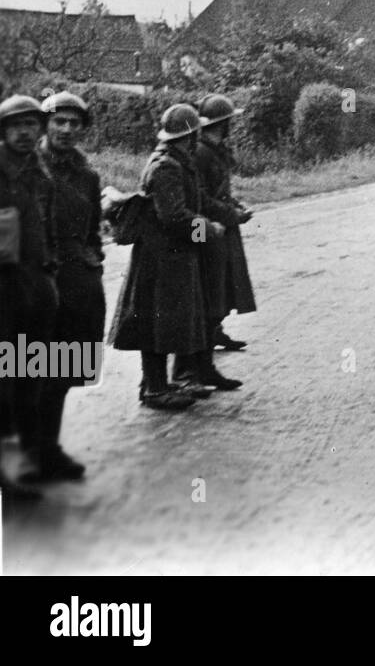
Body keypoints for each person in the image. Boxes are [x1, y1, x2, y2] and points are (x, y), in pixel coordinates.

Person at [109, 103, 224, 410]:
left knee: (164, 322)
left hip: (169, 255)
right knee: (154, 323)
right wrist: (208, 230)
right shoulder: (168, 167)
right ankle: (154, 389)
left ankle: (159, 384)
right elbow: (173, 216)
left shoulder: (175, 162)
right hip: (161, 258)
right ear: (189, 135)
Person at [21, 92, 104, 483]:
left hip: (76, 284)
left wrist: (92, 261)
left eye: (75, 123)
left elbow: (92, 234)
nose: (67, 130)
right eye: (59, 122)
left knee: (60, 375)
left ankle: (48, 451)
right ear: (44, 124)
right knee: (24, 372)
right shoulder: (27, 170)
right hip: (33, 281)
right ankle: (26, 455)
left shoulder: (88, 176)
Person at [0, 95, 57, 501]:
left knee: (30, 379)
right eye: (15, 125)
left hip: (34, 290)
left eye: (31, 124)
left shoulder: (40, 173)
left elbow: (47, 229)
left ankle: (30, 461)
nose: (24, 132)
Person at [194, 94, 256, 370]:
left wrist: (234, 205)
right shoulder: (202, 152)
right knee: (212, 288)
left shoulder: (216, 149)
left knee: (226, 284)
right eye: (229, 120)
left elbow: (220, 189)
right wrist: (232, 214)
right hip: (209, 228)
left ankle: (215, 332)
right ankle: (204, 354)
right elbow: (201, 197)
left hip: (222, 225)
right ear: (223, 122)